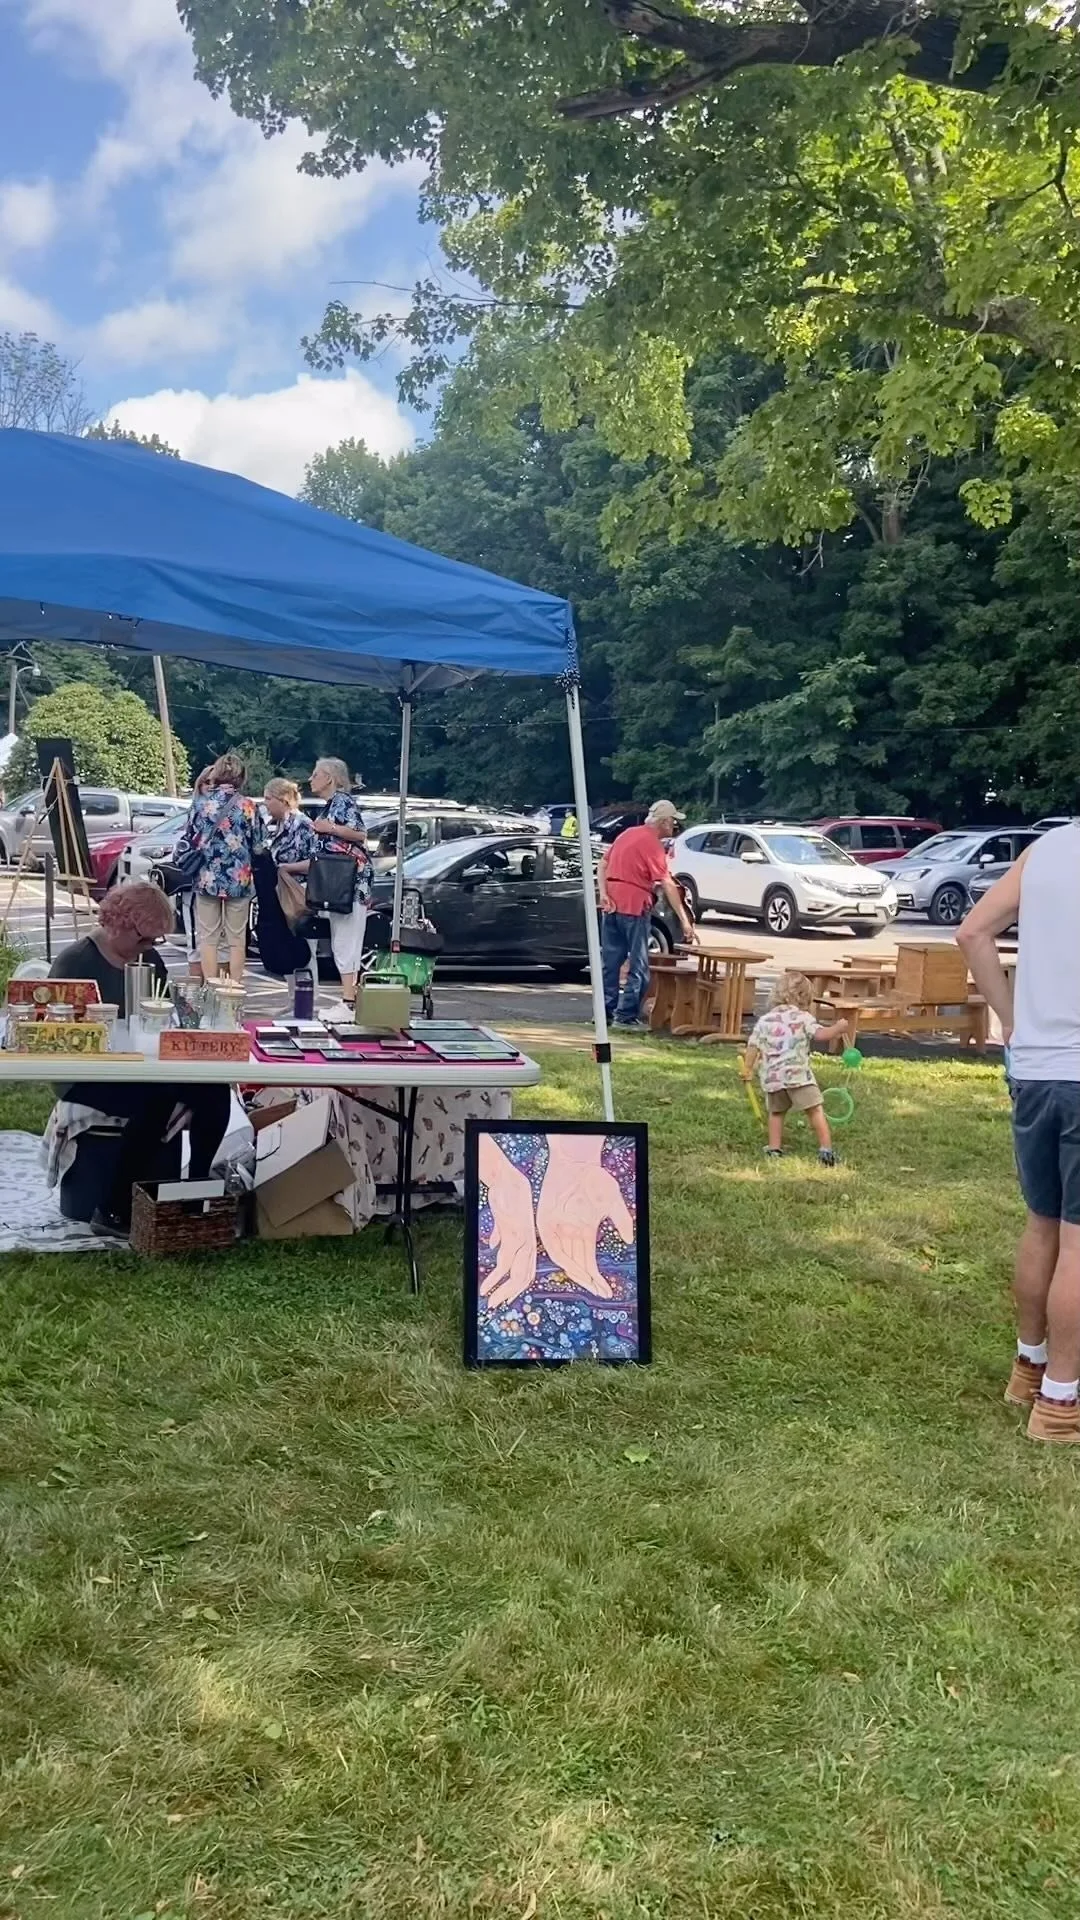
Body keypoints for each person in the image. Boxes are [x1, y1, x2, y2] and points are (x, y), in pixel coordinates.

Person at [958, 821, 1080, 1442]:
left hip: (1036, 1071)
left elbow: (972, 930)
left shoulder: (1046, 849)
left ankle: (1028, 1368)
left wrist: (1013, 1023)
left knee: (1043, 1224)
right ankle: (1061, 1402)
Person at [49, 882, 231, 1234]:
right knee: (157, 1100)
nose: (149, 947)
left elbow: (174, 1013)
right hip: (87, 1073)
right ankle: (114, 1205)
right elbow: (56, 1032)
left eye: (155, 941)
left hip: (141, 1061)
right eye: (145, 939)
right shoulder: (76, 961)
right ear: (118, 922)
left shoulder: (149, 958)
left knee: (214, 1087)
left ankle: (196, 1191)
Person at [597, 799, 696, 1030]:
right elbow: (667, 884)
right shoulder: (652, 844)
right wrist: (684, 921)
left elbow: (602, 864)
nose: (674, 826)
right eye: (672, 821)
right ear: (663, 821)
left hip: (611, 906)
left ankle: (604, 1015)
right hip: (634, 906)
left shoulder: (627, 834)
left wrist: (603, 893)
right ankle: (626, 1016)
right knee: (639, 965)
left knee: (610, 964)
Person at [742, 971, 849, 1165]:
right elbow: (821, 1035)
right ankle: (826, 1150)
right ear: (804, 997)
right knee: (815, 1110)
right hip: (799, 1076)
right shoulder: (803, 1018)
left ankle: (774, 1149)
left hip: (773, 1077)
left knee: (776, 1113)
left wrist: (748, 1068)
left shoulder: (765, 1021)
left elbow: (752, 1046)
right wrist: (838, 1028)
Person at [182, 752, 266, 986]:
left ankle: (211, 988)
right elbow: (259, 844)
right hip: (239, 879)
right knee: (236, 939)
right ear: (241, 777)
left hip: (207, 878)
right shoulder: (248, 806)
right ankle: (234, 988)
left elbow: (189, 836)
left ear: (216, 774)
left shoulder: (201, 804)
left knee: (208, 938)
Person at [308, 757, 373, 1010]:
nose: (311, 779)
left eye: (316, 774)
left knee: (346, 940)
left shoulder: (343, 802)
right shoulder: (331, 804)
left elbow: (360, 833)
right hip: (340, 883)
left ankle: (348, 1001)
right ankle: (349, 999)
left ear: (330, 778)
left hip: (349, 883)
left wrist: (329, 827)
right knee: (341, 940)